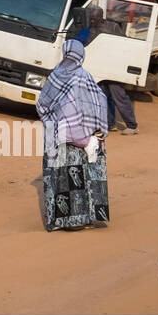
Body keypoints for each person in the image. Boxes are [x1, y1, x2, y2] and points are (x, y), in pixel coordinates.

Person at [37, 39, 110, 231]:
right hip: (83, 140)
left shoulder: (54, 76)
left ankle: (62, 221)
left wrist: (56, 125)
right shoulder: (84, 77)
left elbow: (42, 105)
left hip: (56, 138)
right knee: (80, 178)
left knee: (59, 178)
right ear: (81, 56)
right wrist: (93, 134)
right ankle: (81, 219)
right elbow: (99, 103)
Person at [80, 5, 139, 135]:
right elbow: (79, 42)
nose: (92, 22)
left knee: (119, 96)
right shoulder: (89, 30)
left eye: (94, 19)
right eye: (90, 19)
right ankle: (109, 124)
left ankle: (132, 125)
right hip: (99, 70)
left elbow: (124, 45)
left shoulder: (113, 27)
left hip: (114, 69)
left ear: (101, 18)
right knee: (102, 97)